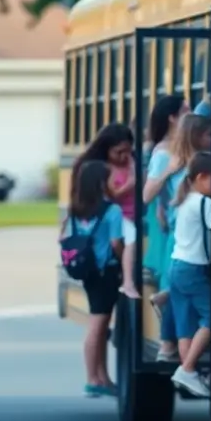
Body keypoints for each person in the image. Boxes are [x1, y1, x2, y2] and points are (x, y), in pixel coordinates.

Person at [167, 151, 211, 397]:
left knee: (186, 326)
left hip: (176, 266)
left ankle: (190, 373)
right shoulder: (203, 202)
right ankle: (187, 370)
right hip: (193, 269)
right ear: (201, 177)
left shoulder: (183, 200)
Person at [61, 159, 124, 397]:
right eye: (110, 178)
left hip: (87, 270)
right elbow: (116, 243)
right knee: (97, 326)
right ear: (101, 183)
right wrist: (126, 260)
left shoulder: (76, 209)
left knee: (98, 324)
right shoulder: (112, 211)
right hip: (105, 271)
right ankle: (92, 379)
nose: (114, 181)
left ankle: (101, 378)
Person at [141, 95, 191, 361]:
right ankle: (167, 344)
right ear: (172, 117)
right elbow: (146, 194)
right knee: (177, 281)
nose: (190, 111)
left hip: (185, 224)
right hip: (176, 227)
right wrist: (169, 171)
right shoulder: (163, 153)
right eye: (185, 109)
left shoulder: (182, 145)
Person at [71, 122, 139, 299]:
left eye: (128, 151)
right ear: (106, 148)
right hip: (115, 221)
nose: (124, 156)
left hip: (132, 217)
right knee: (131, 238)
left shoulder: (131, 162)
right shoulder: (98, 169)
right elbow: (103, 199)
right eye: (119, 152)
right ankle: (128, 281)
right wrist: (130, 184)